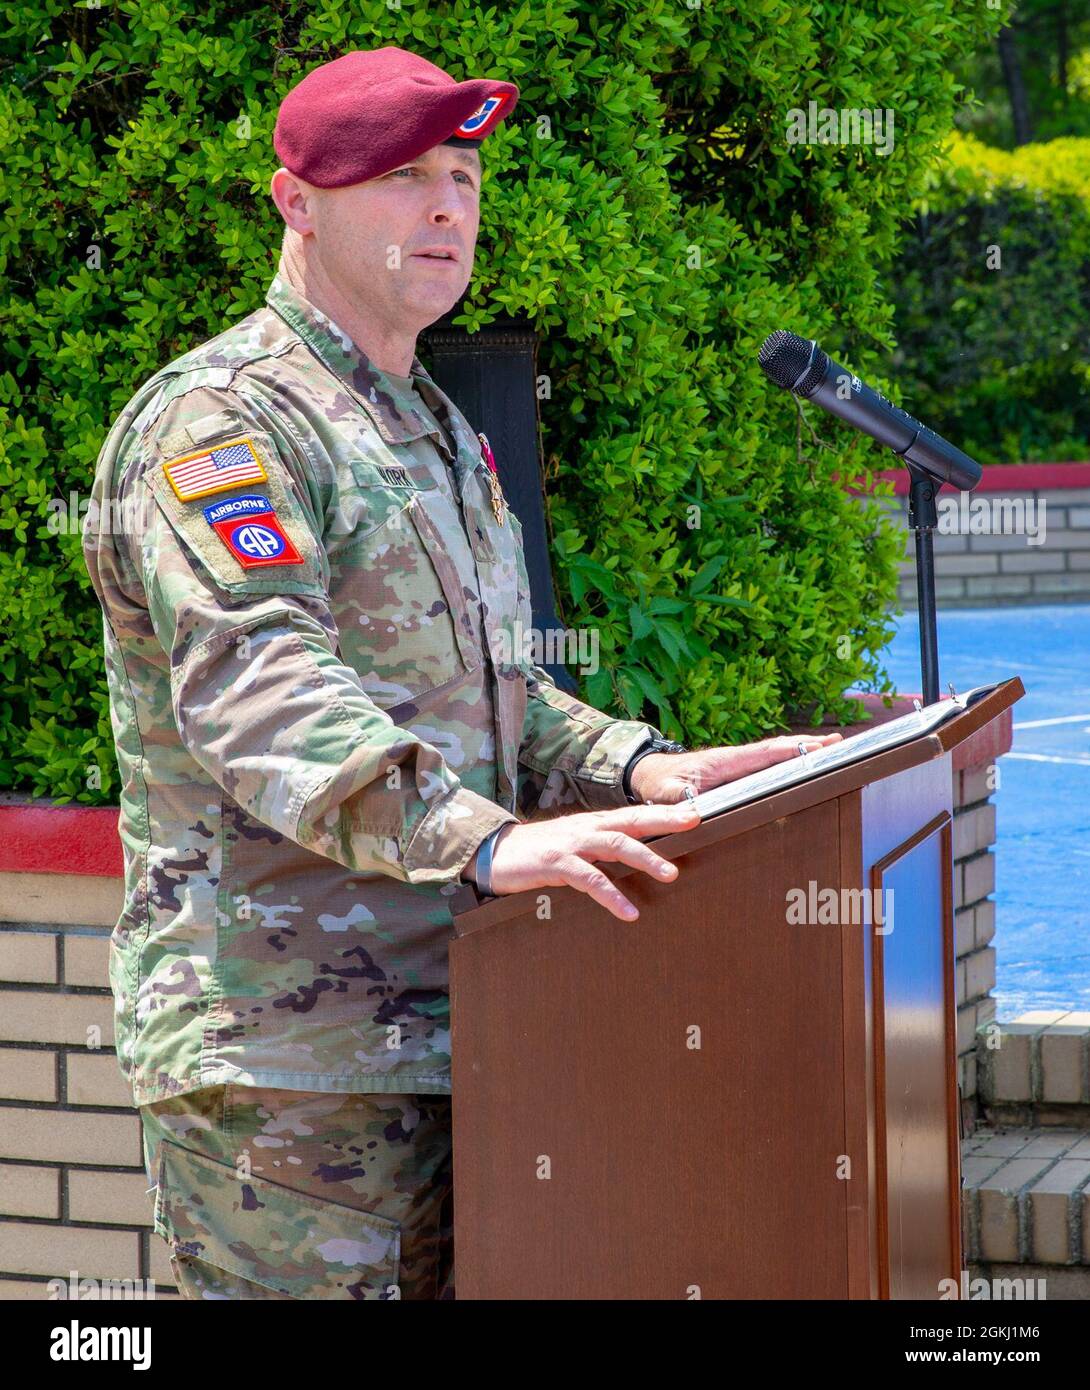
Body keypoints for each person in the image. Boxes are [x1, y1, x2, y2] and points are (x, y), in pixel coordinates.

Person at [81, 44, 841, 1300]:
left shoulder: (430, 422)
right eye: (402, 175)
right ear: (296, 204)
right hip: (288, 1062)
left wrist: (642, 766)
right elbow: (262, 692)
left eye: (464, 175)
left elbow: (497, 694)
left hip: (466, 1031)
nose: (446, 207)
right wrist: (485, 841)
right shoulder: (225, 421)